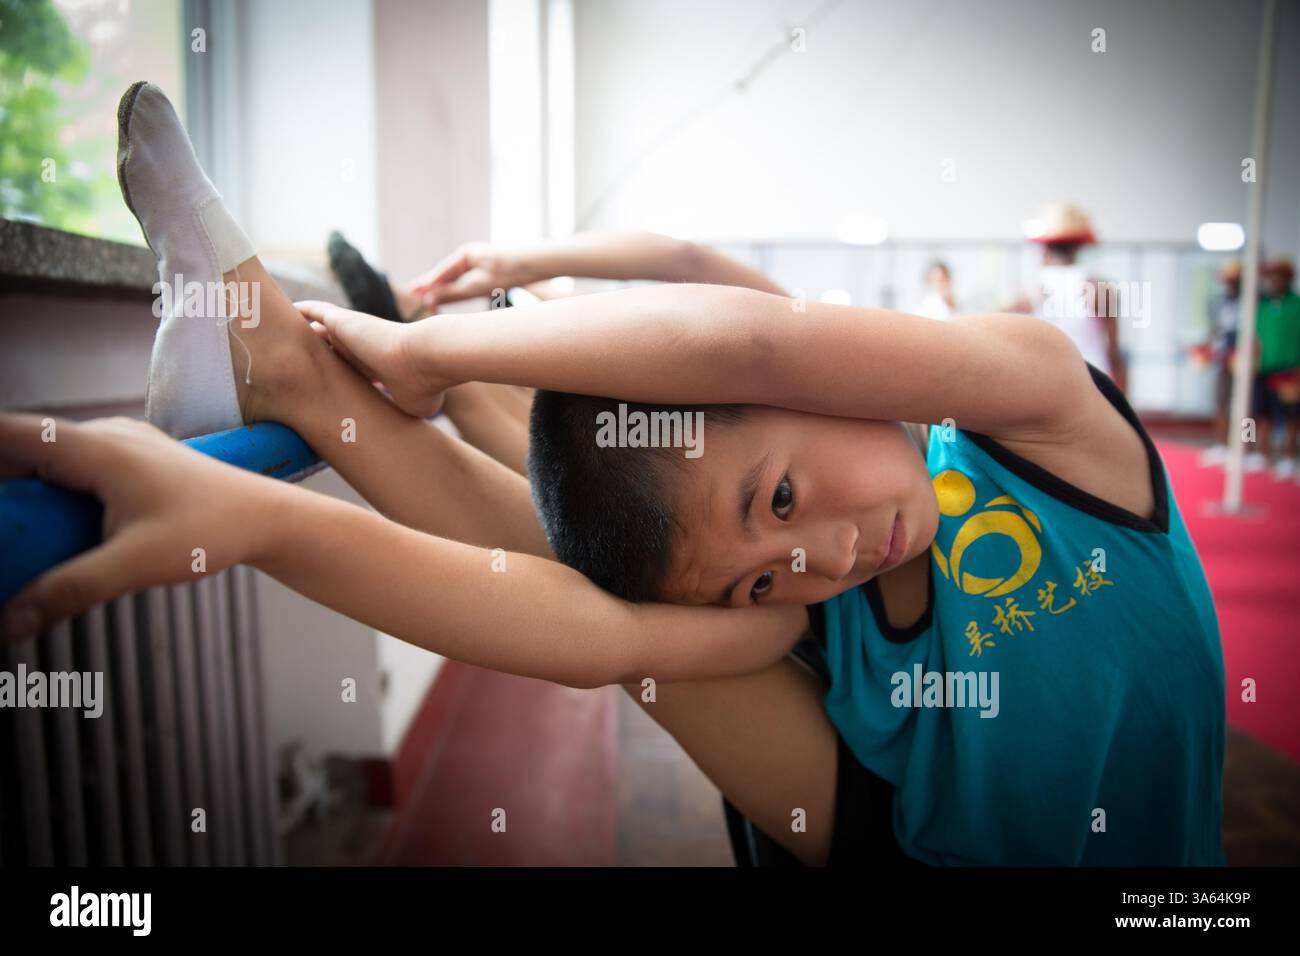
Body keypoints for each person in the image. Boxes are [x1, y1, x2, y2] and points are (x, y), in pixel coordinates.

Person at [0, 83, 1226, 866]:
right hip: (899, 832)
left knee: (628, 491)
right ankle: (294, 380)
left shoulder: (1046, 410)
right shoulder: (805, 605)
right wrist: (253, 517)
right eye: (760, 575)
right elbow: (590, 633)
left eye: (783, 504)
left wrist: (436, 341)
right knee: (627, 575)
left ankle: (337, 367)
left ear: (822, 392)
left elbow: (744, 327)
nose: (807, 558)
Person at [1009, 203, 1126, 392]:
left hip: (1049, 381)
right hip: (1094, 382)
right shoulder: (1099, 287)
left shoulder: (1032, 289)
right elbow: (1113, 352)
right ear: (1079, 246)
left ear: (1045, 247)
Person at [1254, 258, 1300, 479]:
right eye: (1272, 276)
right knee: (1261, 415)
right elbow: (1256, 337)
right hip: (1264, 369)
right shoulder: (1263, 307)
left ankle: (1290, 459)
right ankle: (1262, 455)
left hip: (1290, 370)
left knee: (1292, 418)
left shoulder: (1297, 305)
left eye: (1279, 276)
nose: (1275, 281)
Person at [1195, 259, 1241, 467]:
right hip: (1223, 358)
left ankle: (1245, 446)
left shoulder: (1252, 302)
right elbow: (1215, 329)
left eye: (1234, 280)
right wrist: (1205, 347)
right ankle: (1222, 444)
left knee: (1246, 407)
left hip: (1245, 360)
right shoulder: (1220, 301)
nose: (1229, 284)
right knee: (1221, 401)